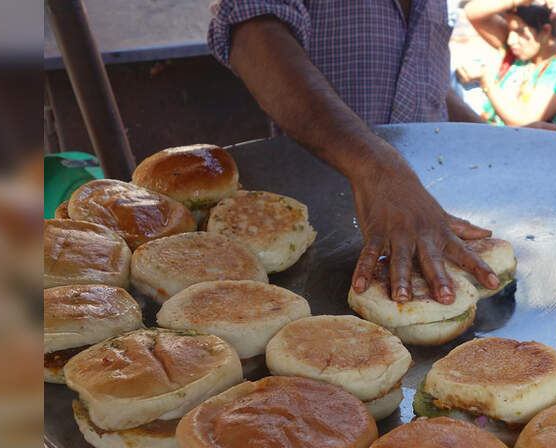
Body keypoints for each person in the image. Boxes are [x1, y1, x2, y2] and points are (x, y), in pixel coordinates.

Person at [207, 0, 500, 305]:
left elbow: (424, 80)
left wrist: (495, 139)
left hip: (429, 227)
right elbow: (254, 36)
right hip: (318, 250)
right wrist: (377, 168)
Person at [460, 1, 556, 133]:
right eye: (509, 30)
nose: (510, 40)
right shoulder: (519, 51)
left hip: (542, 148)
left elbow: (525, 122)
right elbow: (472, 12)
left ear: (545, 31)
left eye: (519, 31)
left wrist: (487, 82)